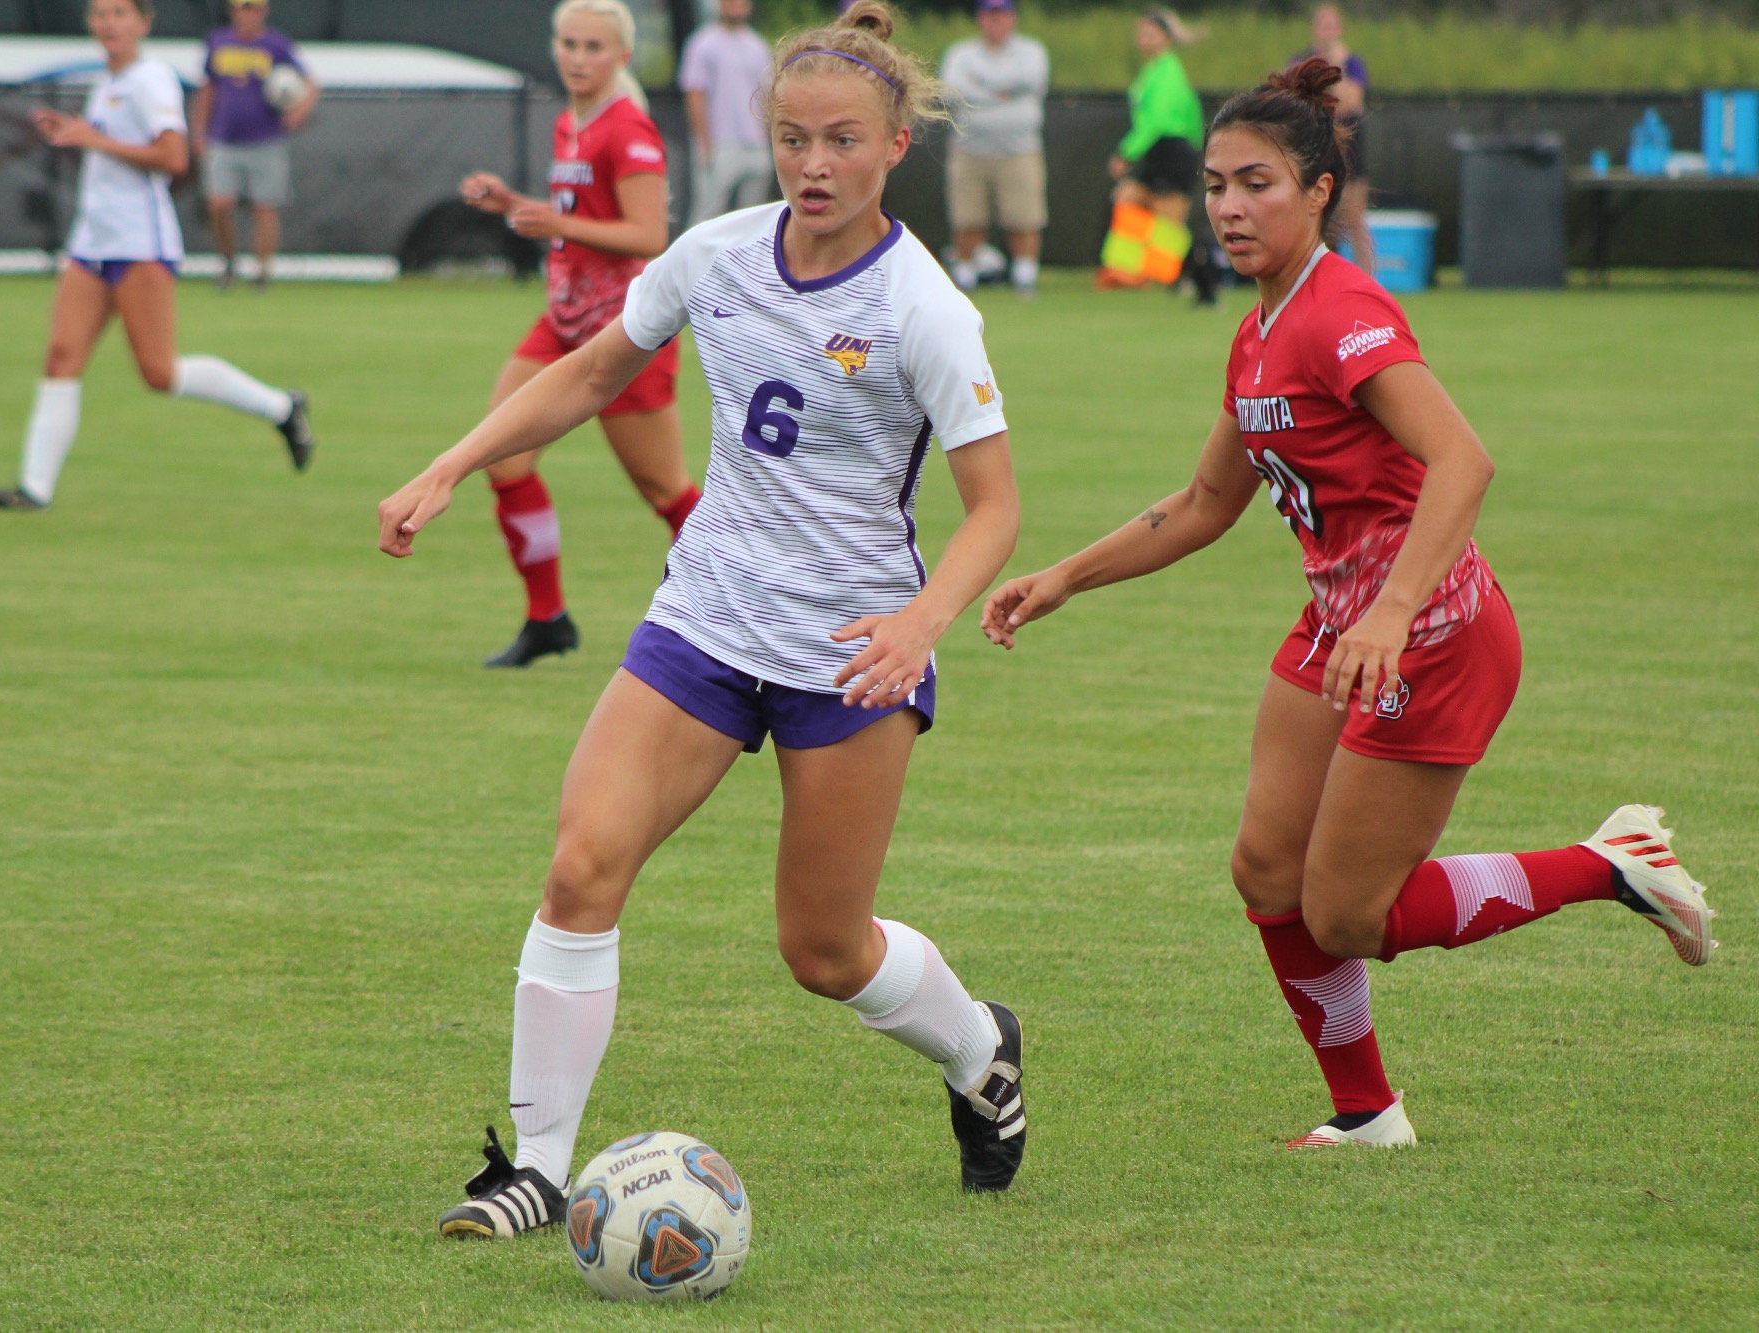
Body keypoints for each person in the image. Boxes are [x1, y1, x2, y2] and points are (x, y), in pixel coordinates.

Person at [982, 58, 1714, 1150]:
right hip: (1342, 629)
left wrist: (1388, 612)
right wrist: (1061, 578)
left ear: (1318, 190)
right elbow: (1199, 503)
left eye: (1257, 184)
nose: (1228, 206)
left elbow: (1461, 461)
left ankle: (1608, 866)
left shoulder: (1339, 310)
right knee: (1265, 869)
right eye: (1218, 184)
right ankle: (1366, 1114)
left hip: (1434, 637)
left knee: (1346, 916)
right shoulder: (1256, 332)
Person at [382, 0, 1028, 1236]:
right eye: (792, 138)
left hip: (847, 657)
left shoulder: (925, 310)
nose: (814, 165)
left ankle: (979, 1047)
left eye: (842, 140)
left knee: (823, 951)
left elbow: (992, 507)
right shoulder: (715, 252)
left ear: (896, 143)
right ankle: (535, 1164)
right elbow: (586, 374)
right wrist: (449, 465)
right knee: (581, 864)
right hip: (703, 621)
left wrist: (921, 619)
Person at [0, 0, 313, 511]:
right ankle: (33, 490)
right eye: (99, 14)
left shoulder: (150, 78)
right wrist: (76, 133)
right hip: (93, 241)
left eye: (119, 13)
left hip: (139, 244)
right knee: (61, 358)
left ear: (143, 23)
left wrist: (95, 139)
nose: (108, 24)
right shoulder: (109, 81)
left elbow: (173, 158)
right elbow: (111, 147)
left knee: (159, 373)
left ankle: (282, 408)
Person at [458, 0, 701, 667]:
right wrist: (512, 206)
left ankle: (752, 599)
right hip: (562, 320)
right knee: (502, 459)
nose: (577, 57)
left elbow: (649, 235)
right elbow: (575, 214)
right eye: (568, 43)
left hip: (623, 333)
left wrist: (555, 224)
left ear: (622, 56)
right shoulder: (572, 121)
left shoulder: (627, 128)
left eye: (594, 46)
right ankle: (547, 617)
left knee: (667, 492)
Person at [194, 0, 318, 293]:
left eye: (252, 7)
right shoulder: (218, 42)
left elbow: (310, 83)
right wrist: (199, 131)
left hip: (266, 140)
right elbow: (208, 88)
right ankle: (227, 263)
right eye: (240, 7)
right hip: (224, 139)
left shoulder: (276, 45)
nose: (246, 13)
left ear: (263, 11)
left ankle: (262, 272)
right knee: (219, 204)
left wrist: (298, 113)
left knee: (264, 208)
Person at [1099, 7, 1217, 306]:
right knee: (1126, 199)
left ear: (1166, 38)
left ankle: (1205, 285)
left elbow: (1156, 122)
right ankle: (1134, 273)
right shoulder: (1152, 70)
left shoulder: (1169, 70)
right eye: (1140, 33)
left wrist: (1125, 154)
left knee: (1168, 226)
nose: (1143, 39)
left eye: (1150, 33)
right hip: (1159, 152)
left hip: (1173, 151)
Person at [940, 0, 1049, 298]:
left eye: (1001, 14)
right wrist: (1002, 92)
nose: (995, 21)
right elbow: (955, 91)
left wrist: (981, 87)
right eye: (989, 14)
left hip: (1020, 149)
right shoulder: (960, 54)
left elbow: (1031, 79)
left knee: (1024, 217)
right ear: (980, 18)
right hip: (969, 150)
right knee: (967, 217)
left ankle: (1025, 278)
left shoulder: (1032, 52)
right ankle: (964, 276)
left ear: (1012, 18)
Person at [679, 0, 775, 227]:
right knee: (708, 215)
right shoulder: (702, 44)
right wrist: (704, 145)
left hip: (755, 145)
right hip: (720, 145)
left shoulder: (758, 46)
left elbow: (768, 95)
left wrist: (767, 139)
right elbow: (695, 93)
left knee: (754, 218)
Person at [1298, 4, 1372, 275]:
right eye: (1322, 25)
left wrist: (1336, 67)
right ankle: (1317, 280)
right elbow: (1298, 102)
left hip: (1348, 147)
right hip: (1314, 146)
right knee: (1318, 221)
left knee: (1354, 219)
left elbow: (1350, 103)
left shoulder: (1352, 64)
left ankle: (1368, 283)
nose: (1327, 32)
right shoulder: (1301, 62)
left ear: (1339, 29)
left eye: (1332, 26)